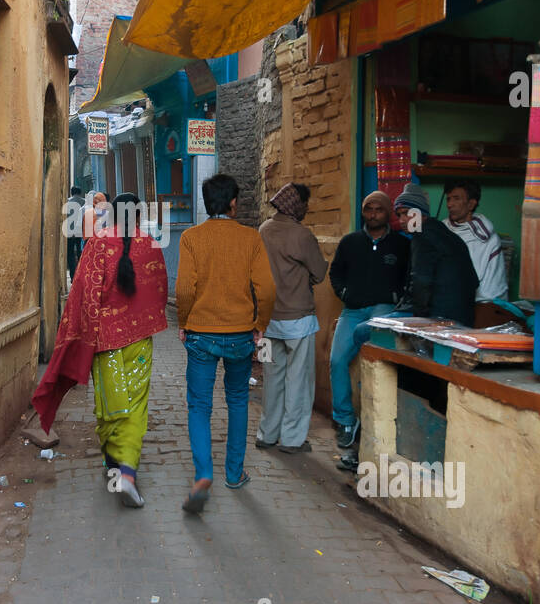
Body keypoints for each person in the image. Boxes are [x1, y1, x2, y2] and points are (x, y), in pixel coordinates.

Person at [33, 192, 168, 508]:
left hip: (104, 342)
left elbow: (83, 295)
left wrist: (82, 336)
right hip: (139, 342)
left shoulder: (97, 244)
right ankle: (127, 472)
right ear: (137, 217)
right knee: (135, 407)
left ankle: (112, 463)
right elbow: (159, 292)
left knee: (110, 403)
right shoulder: (150, 244)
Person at [175, 173, 276, 514]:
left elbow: (185, 290)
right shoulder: (250, 238)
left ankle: (204, 474)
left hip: (201, 334)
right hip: (240, 335)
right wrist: (259, 325)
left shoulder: (191, 238)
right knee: (237, 401)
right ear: (234, 203)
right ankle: (234, 473)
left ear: (206, 203)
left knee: (199, 406)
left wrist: (184, 322)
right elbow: (266, 289)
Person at [329, 191, 410, 450]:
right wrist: (344, 293)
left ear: (388, 214)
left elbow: (410, 278)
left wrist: (397, 298)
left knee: (376, 363)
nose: (373, 214)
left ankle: (373, 421)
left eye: (379, 209)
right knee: (337, 360)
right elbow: (336, 272)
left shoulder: (401, 245)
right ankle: (344, 420)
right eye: (368, 209)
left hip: (383, 311)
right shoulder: (350, 242)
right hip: (352, 311)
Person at [256, 182, 327, 454]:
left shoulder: (263, 230)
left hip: (268, 319)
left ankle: (267, 433)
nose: (307, 209)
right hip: (298, 320)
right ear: (297, 206)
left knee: (272, 379)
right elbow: (319, 274)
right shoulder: (302, 235)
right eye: (305, 204)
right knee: (299, 381)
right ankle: (292, 439)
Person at [393, 182, 477, 325]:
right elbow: (473, 280)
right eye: (399, 214)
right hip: (464, 318)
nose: (401, 220)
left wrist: (417, 324)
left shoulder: (422, 236)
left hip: (440, 320)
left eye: (407, 213)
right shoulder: (447, 234)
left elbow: (421, 281)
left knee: (363, 331)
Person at [443, 178, 510, 327]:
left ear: (471, 204)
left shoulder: (485, 238)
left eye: (456, 198)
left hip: (485, 303)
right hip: (455, 301)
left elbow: (470, 278)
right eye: (448, 199)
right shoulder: (443, 230)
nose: (450, 204)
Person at [64, 184, 85, 282]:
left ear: (72, 192)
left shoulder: (67, 201)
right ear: (80, 193)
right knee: (82, 253)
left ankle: (73, 276)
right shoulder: (84, 202)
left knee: (70, 253)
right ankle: (81, 275)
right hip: (81, 231)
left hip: (69, 231)